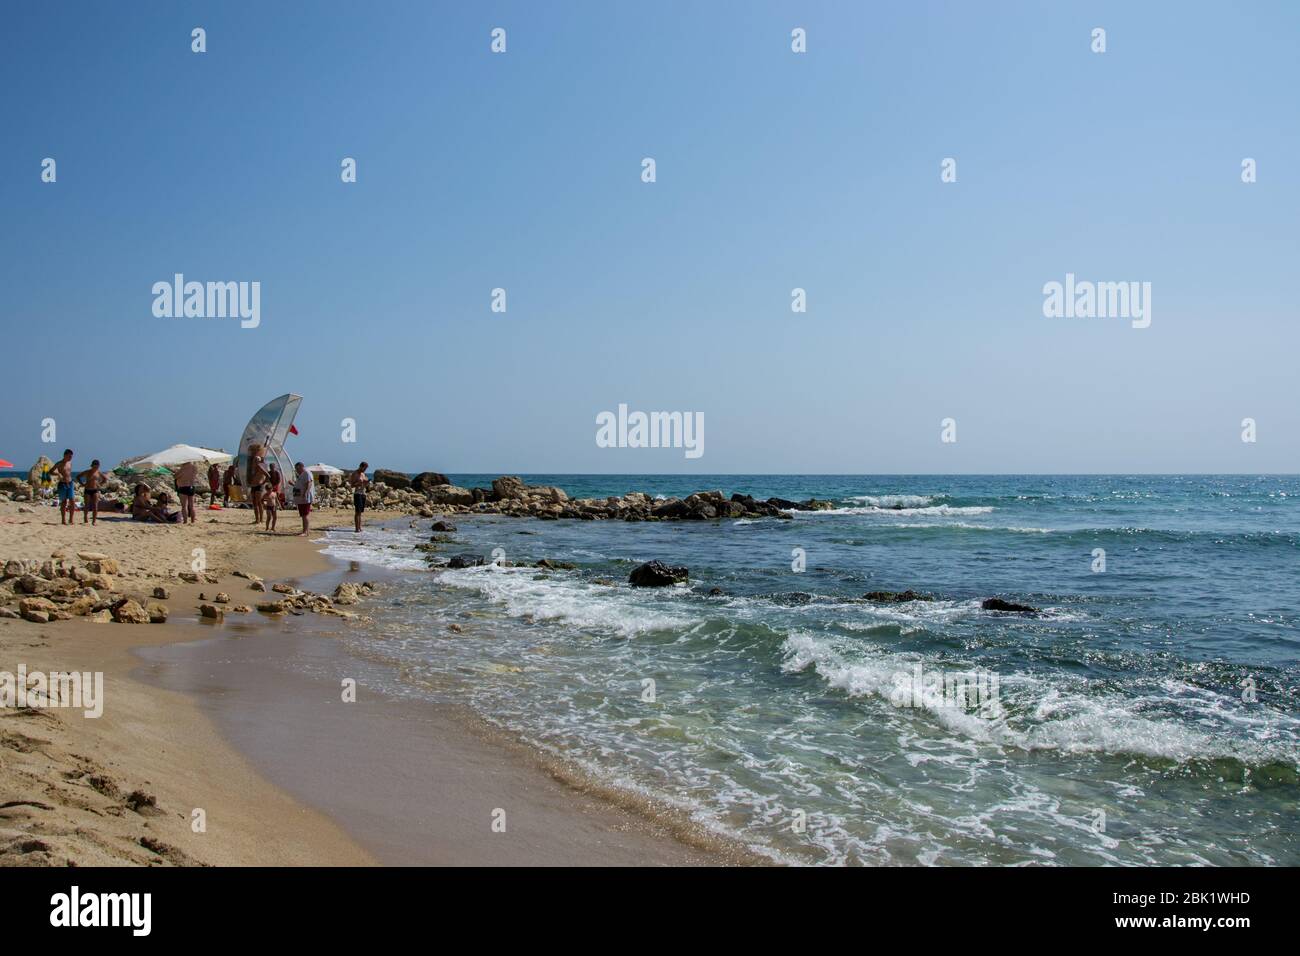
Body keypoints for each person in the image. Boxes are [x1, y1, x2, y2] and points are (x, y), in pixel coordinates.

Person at [51, 449, 76, 525]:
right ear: (65, 455)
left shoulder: (70, 463)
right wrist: (58, 474)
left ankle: (71, 519)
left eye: (71, 457)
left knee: (72, 501)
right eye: (69, 456)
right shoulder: (59, 463)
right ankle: (63, 520)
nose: (70, 458)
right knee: (64, 502)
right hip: (62, 484)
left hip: (70, 483)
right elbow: (50, 471)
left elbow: (68, 473)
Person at [246, 446, 270, 525]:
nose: (255, 461)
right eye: (255, 460)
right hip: (253, 486)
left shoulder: (260, 467)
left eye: (257, 460)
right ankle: (257, 519)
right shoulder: (252, 468)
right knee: (254, 503)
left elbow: (268, 476)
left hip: (259, 486)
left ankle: (261, 519)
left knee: (259, 503)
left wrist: (262, 482)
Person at [78, 459, 103, 525]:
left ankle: (94, 521)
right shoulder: (87, 472)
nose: (95, 468)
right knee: (87, 505)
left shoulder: (98, 473)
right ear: (92, 466)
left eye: (97, 466)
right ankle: (85, 518)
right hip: (87, 489)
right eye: (94, 466)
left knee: (95, 505)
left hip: (95, 490)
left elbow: (105, 479)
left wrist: (100, 484)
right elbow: (78, 476)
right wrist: (82, 484)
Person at [292, 462, 314, 536]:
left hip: (304, 497)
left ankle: (305, 532)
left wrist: (306, 493)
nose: (297, 470)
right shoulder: (302, 474)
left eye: (297, 468)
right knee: (303, 514)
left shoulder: (306, 473)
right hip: (301, 497)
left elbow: (309, 483)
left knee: (305, 514)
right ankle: (305, 530)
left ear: (301, 466)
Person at [174, 460, 198, 524]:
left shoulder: (183, 468)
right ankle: (193, 521)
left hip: (183, 487)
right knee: (191, 506)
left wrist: (175, 473)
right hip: (191, 487)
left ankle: (185, 521)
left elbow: (175, 476)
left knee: (184, 506)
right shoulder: (194, 467)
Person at [348, 462, 370, 533]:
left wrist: (366, 483)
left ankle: (359, 527)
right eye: (364, 468)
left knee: (360, 512)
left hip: (363, 493)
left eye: (366, 469)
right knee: (357, 512)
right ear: (361, 466)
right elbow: (352, 485)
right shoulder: (355, 474)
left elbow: (364, 484)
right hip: (357, 493)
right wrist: (359, 483)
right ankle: (356, 528)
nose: (365, 470)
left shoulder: (363, 474)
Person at [264, 464, 281, 532]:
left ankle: (273, 527)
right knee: (269, 517)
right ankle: (267, 527)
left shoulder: (277, 473)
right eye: (271, 467)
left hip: (273, 506)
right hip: (268, 506)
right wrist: (264, 504)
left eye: (273, 467)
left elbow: (278, 480)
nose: (272, 468)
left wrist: (279, 506)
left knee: (275, 517)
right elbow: (267, 479)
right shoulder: (269, 472)